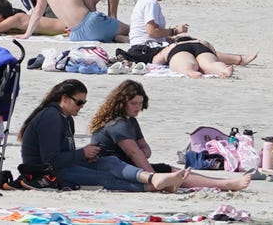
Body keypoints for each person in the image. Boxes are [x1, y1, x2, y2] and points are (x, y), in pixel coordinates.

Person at [18, 79, 187, 191]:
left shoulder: (65, 118)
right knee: (103, 177)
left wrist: (85, 155)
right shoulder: (51, 117)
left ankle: (152, 178)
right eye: (79, 102)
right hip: (46, 172)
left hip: (63, 166)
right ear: (64, 98)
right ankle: (152, 186)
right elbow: (51, 160)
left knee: (109, 162)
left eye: (84, 102)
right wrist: (82, 153)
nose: (81, 106)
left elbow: (63, 154)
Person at [89, 80, 252, 191]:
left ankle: (223, 183)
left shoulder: (130, 120)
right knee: (165, 172)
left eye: (140, 103)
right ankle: (226, 184)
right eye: (133, 103)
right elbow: (134, 152)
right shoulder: (118, 124)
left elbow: (144, 148)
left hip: (128, 164)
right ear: (121, 102)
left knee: (173, 170)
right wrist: (153, 176)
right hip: (112, 168)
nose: (138, 107)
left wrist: (145, 154)